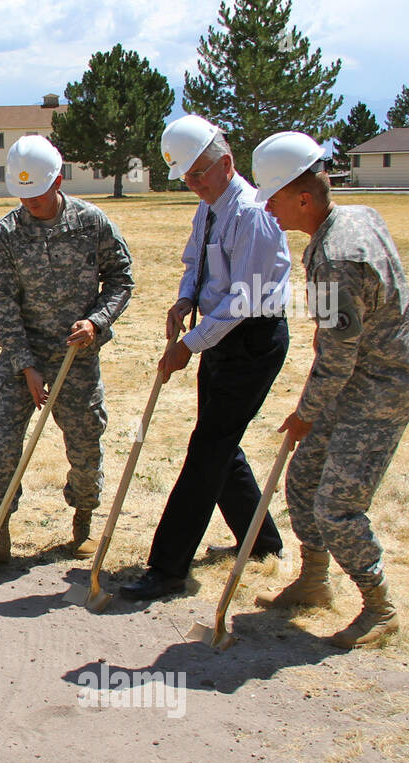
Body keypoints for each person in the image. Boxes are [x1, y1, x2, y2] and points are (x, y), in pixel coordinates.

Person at [250, 131, 409, 649]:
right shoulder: (354, 218)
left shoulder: (335, 260)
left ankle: (379, 606)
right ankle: (314, 579)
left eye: (274, 199)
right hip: (353, 383)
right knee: (302, 479)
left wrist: (305, 413)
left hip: (380, 389)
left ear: (304, 197)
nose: (269, 211)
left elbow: (340, 356)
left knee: (336, 506)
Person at [121, 116, 292, 601]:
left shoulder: (253, 213)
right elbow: (195, 262)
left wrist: (187, 346)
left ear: (226, 163)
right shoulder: (211, 207)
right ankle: (262, 542)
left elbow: (242, 300)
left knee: (207, 450)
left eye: (200, 174)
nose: (194, 185)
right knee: (218, 442)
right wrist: (182, 301)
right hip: (217, 334)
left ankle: (168, 568)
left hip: (252, 340)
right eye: (187, 178)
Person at [0, 135, 133, 564]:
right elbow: (3, 306)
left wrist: (96, 322)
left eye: (38, 197)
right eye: (22, 197)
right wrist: (26, 366)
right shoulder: (5, 234)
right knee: (2, 441)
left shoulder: (91, 223)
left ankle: (83, 520)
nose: (29, 205)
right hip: (21, 355)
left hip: (75, 357)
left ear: (58, 181)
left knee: (85, 444)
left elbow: (121, 280)